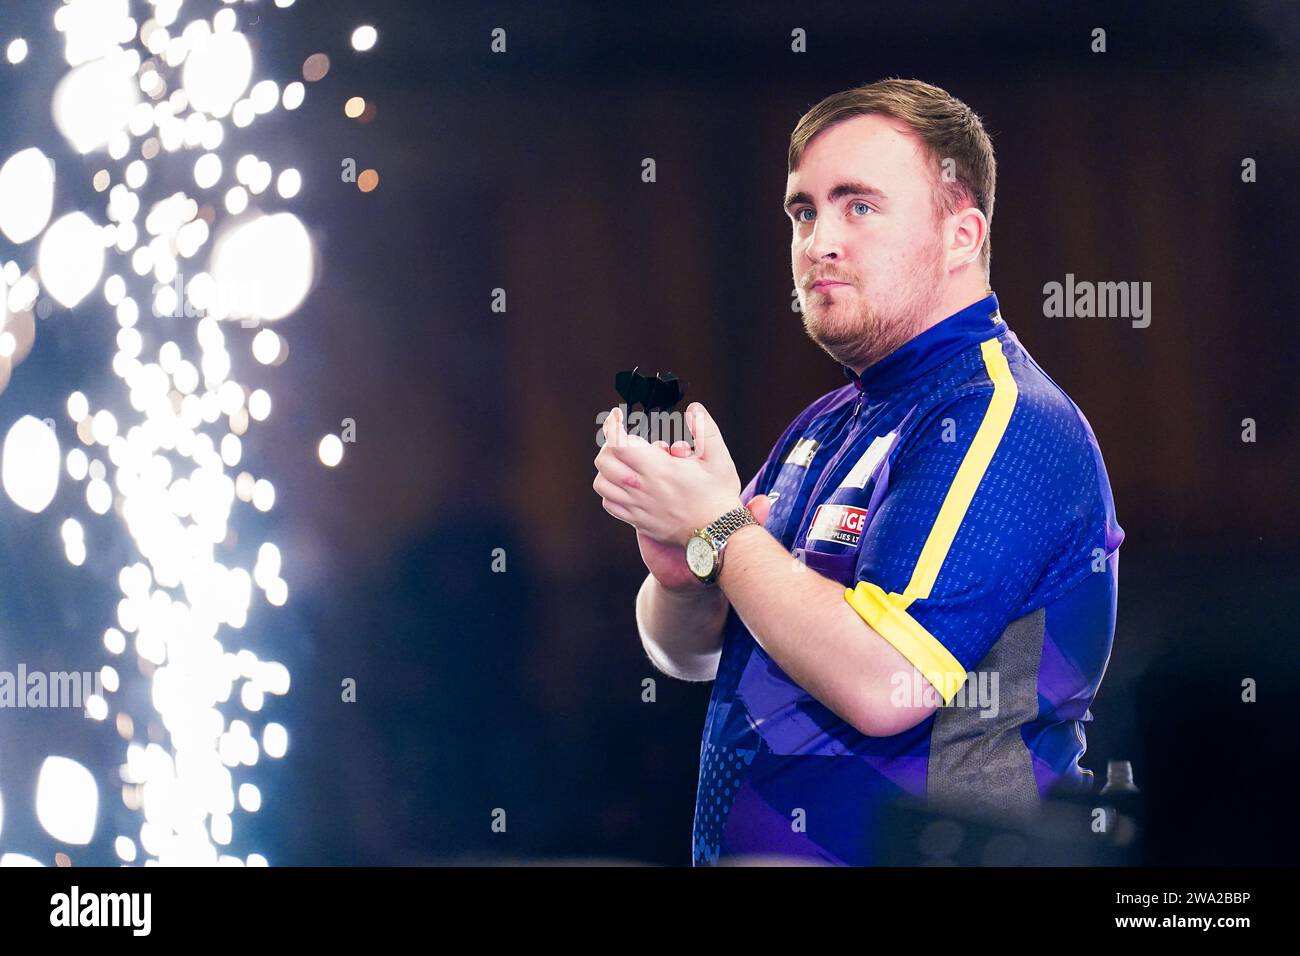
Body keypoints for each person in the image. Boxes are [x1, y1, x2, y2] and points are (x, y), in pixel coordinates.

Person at [592, 78, 1123, 866]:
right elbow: (691, 656)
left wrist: (718, 527)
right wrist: (684, 570)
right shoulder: (827, 423)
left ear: (961, 236)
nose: (818, 242)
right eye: (803, 211)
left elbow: (888, 685)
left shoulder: (1004, 420)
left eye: (859, 206)